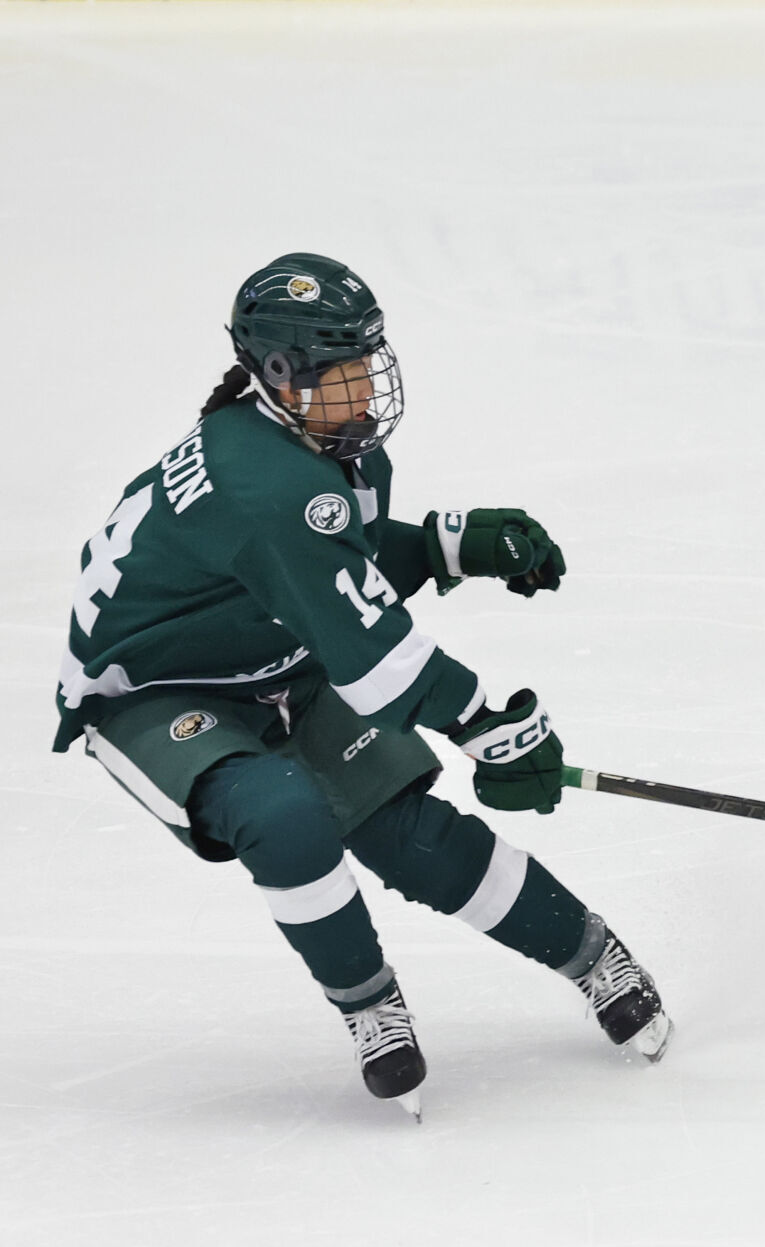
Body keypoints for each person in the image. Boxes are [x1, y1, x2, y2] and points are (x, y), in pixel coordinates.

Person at [54, 253, 672, 1119]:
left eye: (366, 361)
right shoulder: (264, 481)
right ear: (280, 377)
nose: (367, 388)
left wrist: (449, 547)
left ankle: (590, 952)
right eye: (343, 371)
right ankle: (369, 1002)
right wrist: (488, 724)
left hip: (276, 659)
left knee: (407, 832)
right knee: (283, 814)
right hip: (155, 690)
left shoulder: (321, 446)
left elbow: (330, 573)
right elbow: (372, 653)